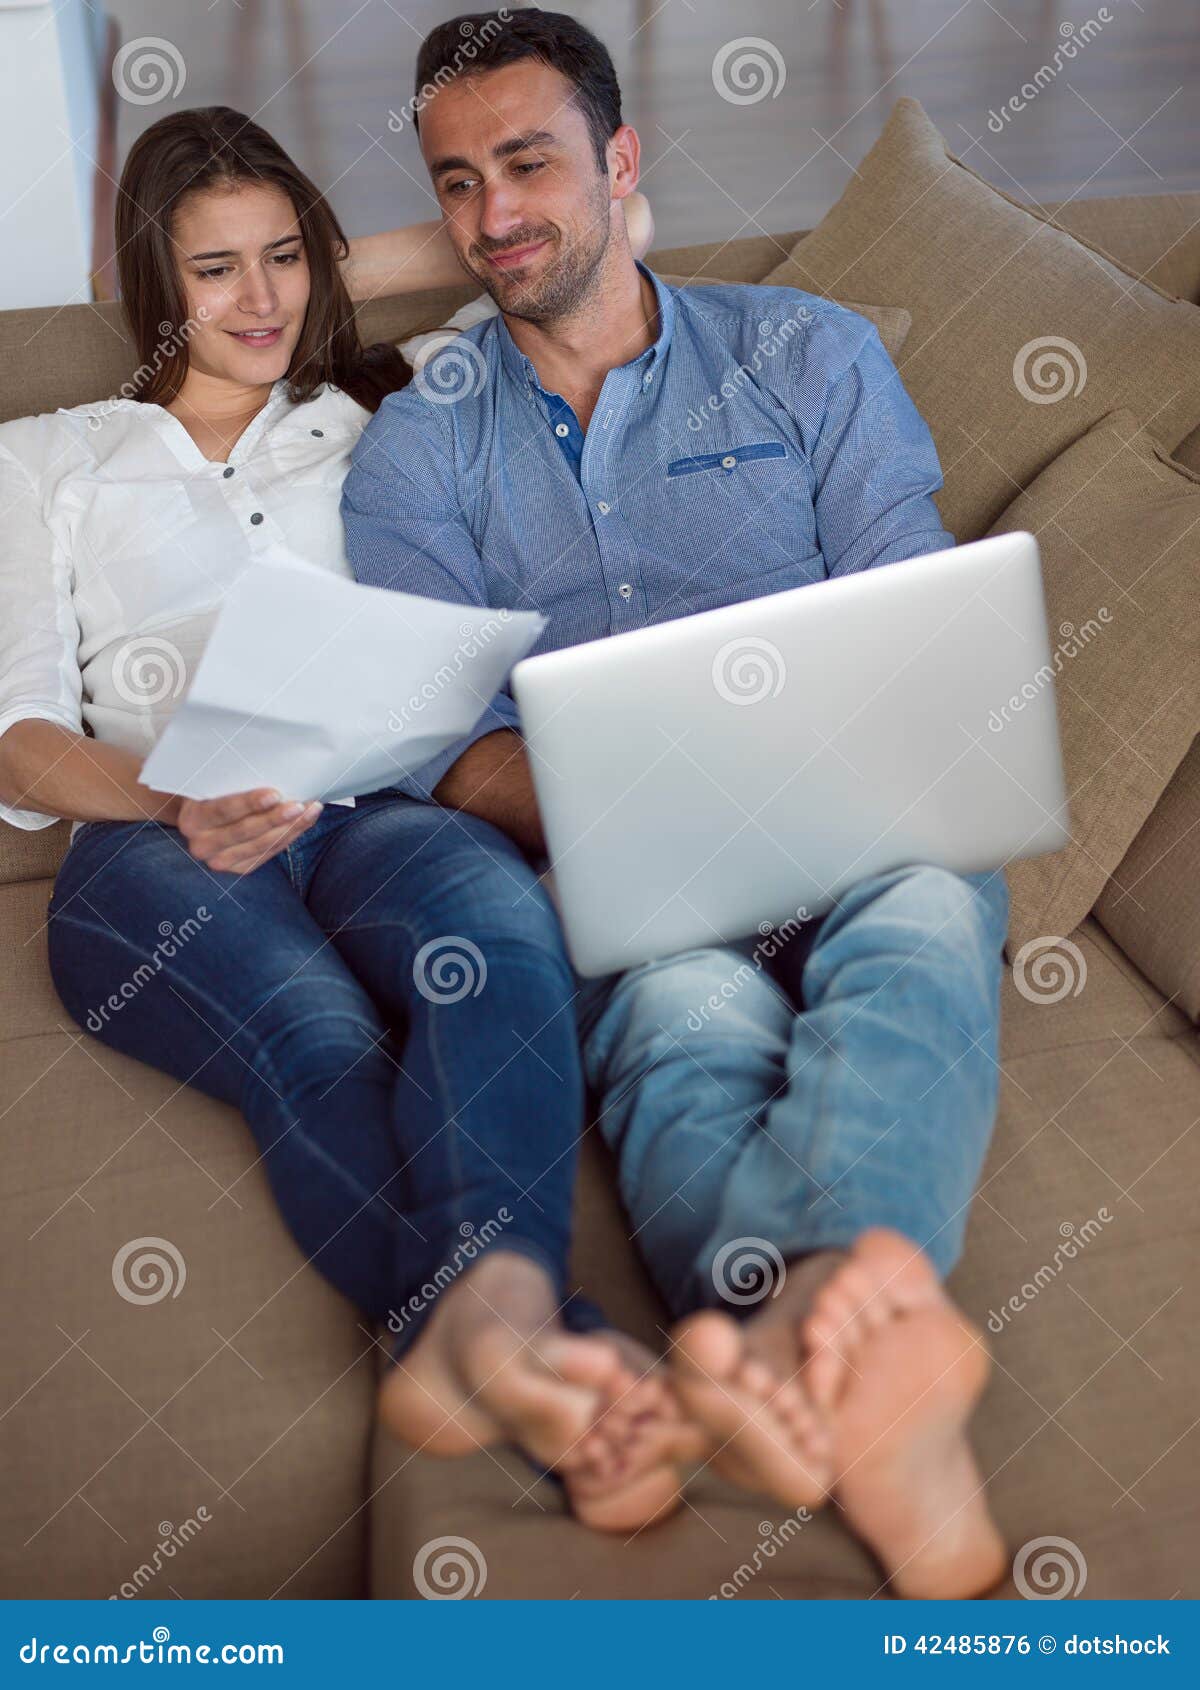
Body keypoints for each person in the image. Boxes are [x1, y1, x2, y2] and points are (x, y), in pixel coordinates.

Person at [343, 8, 1011, 1596]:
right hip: (632, 875)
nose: (494, 215)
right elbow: (445, 749)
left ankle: (804, 1326)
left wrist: (799, 772)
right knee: (682, 1020)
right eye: (456, 182)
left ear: (620, 161)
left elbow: (921, 631)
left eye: (528, 162)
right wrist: (645, 800)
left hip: (862, 825)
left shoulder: (809, 351)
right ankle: (858, 1351)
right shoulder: (416, 453)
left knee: (921, 919)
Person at [0, 104, 686, 1532]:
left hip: (366, 803)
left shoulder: (389, 407)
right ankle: (548, 1347)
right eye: (210, 272)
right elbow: (18, 738)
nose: (259, 303)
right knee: (316, 1032)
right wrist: (170, 796)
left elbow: (578, 241)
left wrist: (308, 265)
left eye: (284, 259)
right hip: (146, 840)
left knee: (503, 939)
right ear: (151, 283)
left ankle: (491, 1336)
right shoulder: (48, 456)